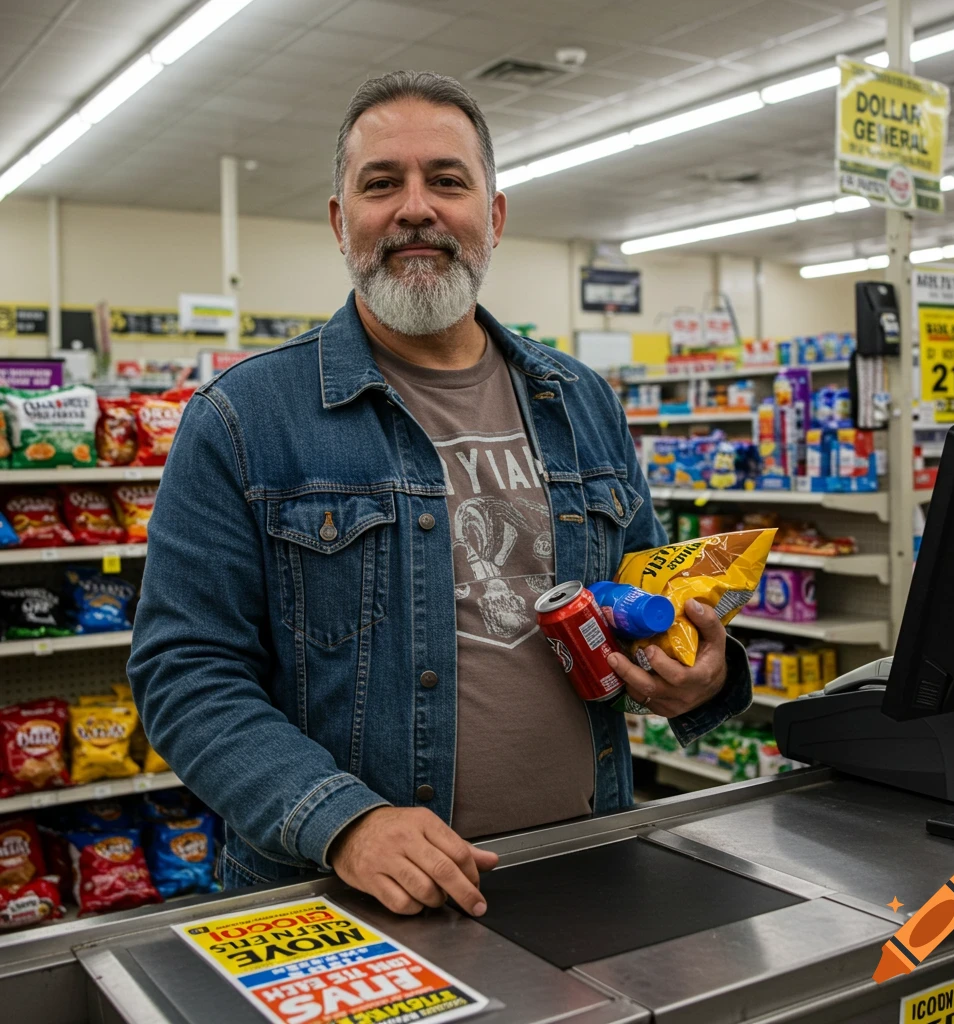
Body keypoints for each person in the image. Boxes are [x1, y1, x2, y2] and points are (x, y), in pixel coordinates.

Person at [128, 70, 751, 919]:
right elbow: (184, 672)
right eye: (381, 183)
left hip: (586, 856)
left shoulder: (582, 400)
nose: (415, 207)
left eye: (447, 181)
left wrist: (700, 677)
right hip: (346, 899)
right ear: (341, 220)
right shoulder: (243, 418)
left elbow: (646, 597)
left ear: (492, 217)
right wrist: (344, 821)